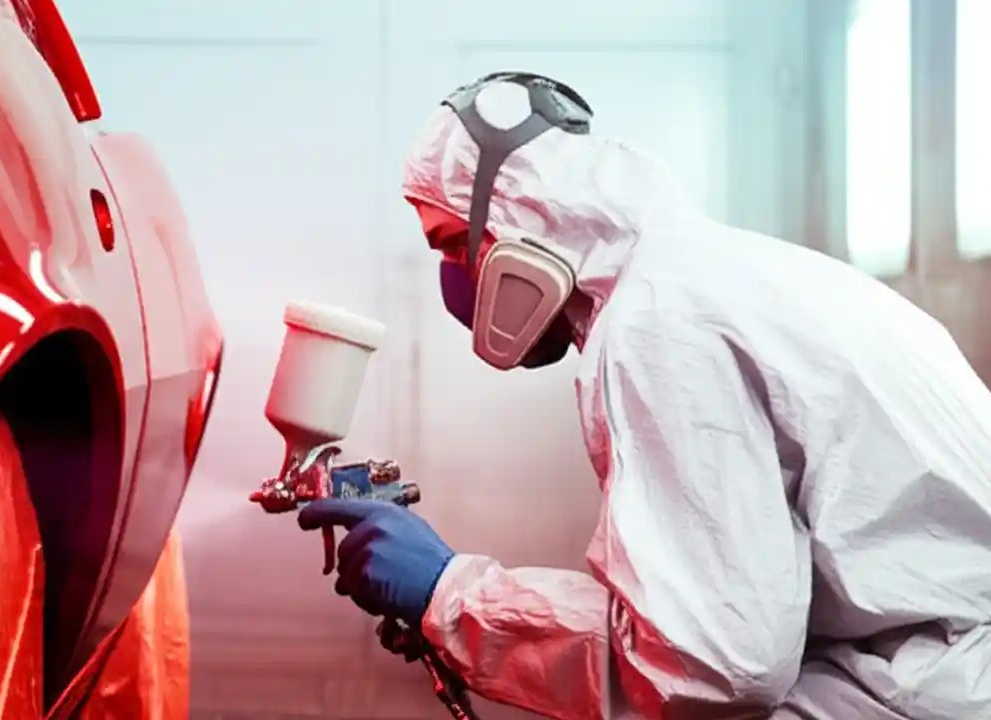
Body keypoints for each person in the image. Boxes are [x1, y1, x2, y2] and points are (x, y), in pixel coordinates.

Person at [297, 71, 991, 719]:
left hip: (915, 691)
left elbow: (714, 666)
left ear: (514, 223)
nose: (453, 281)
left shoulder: (659, 320)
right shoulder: (728, 274)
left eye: (451, 245)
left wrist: (449, 594)